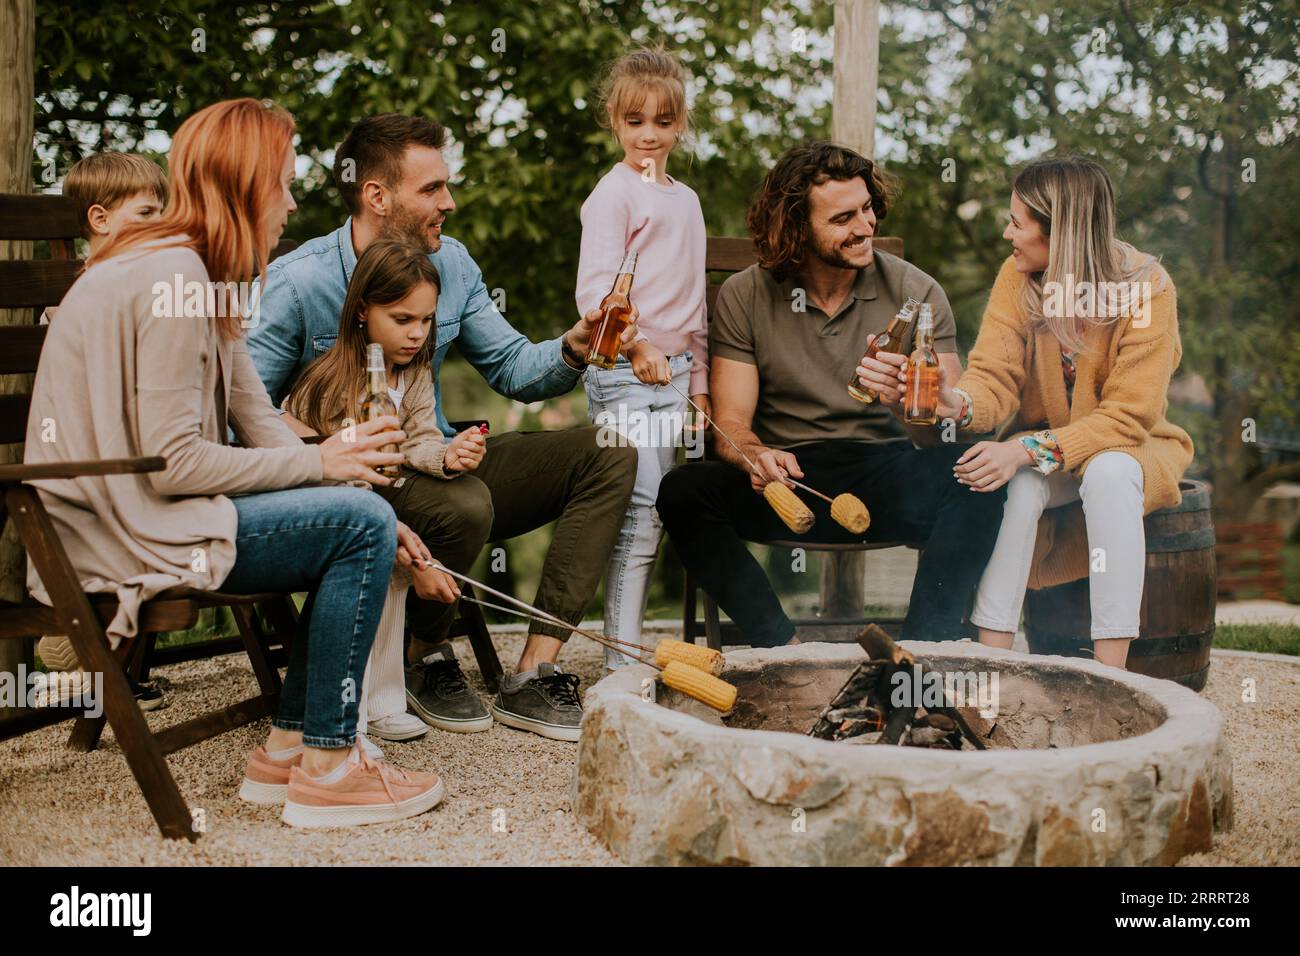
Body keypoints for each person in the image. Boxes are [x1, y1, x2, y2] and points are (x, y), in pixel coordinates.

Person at [25, 97, 443, 828]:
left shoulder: (198, 275)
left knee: (364, 519)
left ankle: (289, 750)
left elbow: (255, 417)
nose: (289, 201)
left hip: (140, 509)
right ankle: (329, 768)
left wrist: (361, 492)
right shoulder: (173, 278)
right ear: (248, 187)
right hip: (117, 530)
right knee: (355, 528)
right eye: (280, 182)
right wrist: (327, 471)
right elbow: (175, 465)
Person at [247, 114, 638, 742]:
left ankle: (535, 673)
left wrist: (571, 347)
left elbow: (513, 369)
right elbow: (246, 412)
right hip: (354, 483)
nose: (448, 203)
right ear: (377, 195)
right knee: (465, 503)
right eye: (431, 189)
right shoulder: (301, 282)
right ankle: (423, 654)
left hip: (437, 457)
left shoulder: (451, 264)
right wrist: (331, 458)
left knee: (609, 450)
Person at [657, 142, 1007, 648]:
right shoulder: (745, 294)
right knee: (684, 490)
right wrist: (755, 456)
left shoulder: (917, 292)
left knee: (977, 475)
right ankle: (783, 651)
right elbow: (730, 422)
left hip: (887, 473)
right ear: (797, 226)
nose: (865, 227)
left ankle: (919, 655)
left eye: (867, 209)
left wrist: (905, 404)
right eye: (843, 218)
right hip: (789, 480)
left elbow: (946, 434)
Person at [931, 156, 1193, 669]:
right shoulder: (1018, 276)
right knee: (1021, 483)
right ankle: (992, 663)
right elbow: (993, 374)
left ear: (1061, 232)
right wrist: (957, 401)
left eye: (1017, 222)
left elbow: (1127, 417)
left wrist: (1023, 449)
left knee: (1110, 473)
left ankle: (1111, 672)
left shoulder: (1149, 289)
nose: (1007, 233)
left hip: (1131, 446)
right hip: (1052, 450)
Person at [284, 238, 490, 739]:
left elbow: (416, 437)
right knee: (376, 567)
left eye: (426, 321)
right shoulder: (329, 379)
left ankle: (384, 698)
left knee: (396, 579)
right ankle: (347, 716)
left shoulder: (415, 373)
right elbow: (313, 460)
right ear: (361, 312)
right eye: (403, 320)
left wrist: (447, 455)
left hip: (386, 496)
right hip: (335, 503)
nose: (418, 334)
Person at [577, 47, 709, 671]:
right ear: (614, 121)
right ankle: (620, 661)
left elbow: (695, 302)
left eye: (662, 121)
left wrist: (700, 383)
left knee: (659, 512)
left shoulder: (685, 200)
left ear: (680, 123)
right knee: (640, 506)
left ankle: (624, 650)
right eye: (635, 121)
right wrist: (637, 343)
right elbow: (594, 293)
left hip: (676, 377)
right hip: (626, 376)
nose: (649, 134)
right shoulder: (613, 195)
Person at [36, 152, 168, 709]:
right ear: (99, 219)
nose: (161, 224)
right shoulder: (91, 296)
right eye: (147, 212)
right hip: (97, 468)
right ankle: (79, 641)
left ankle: (103, 649)